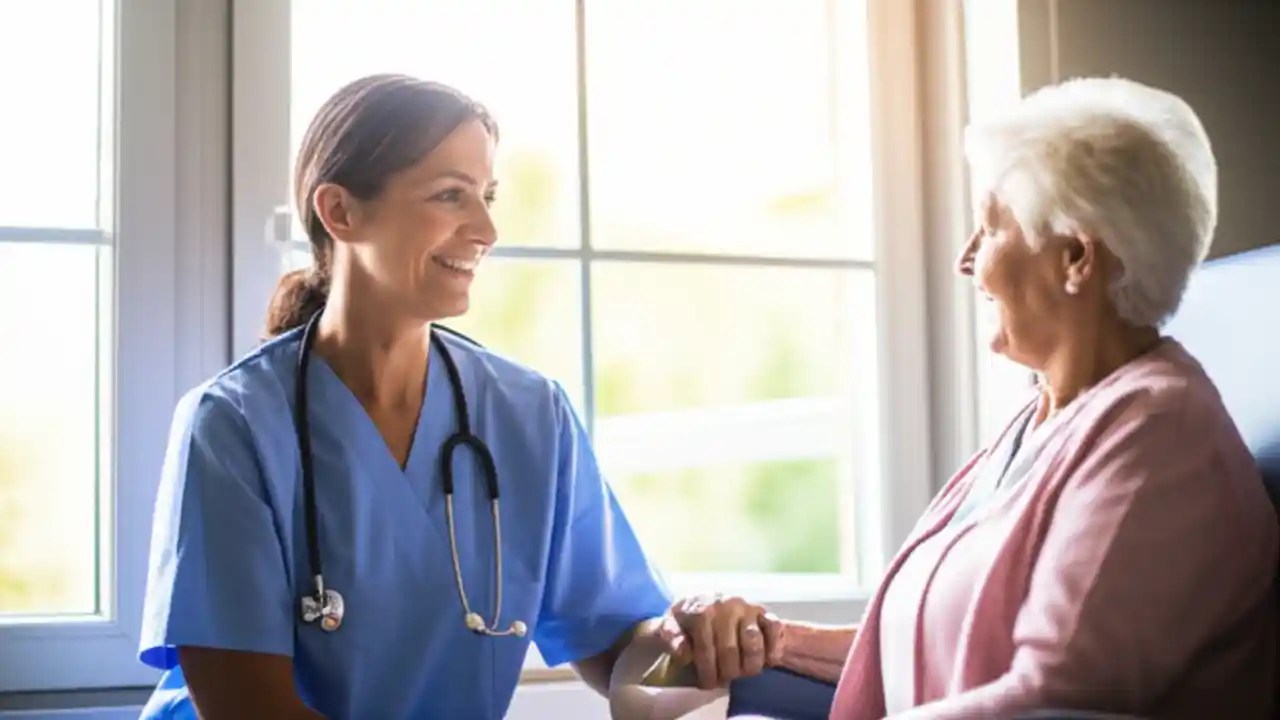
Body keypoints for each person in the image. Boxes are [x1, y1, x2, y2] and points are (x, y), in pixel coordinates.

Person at [136, 74, 776, 719]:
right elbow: (247, 710)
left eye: (488, 196)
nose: (487, 228)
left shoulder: (529, 416)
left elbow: (619, 656)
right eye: (451, 196)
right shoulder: (234, 423)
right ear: (341, 212)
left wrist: (699, 638)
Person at [656, 76, 1280, 718]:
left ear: (1074, 258)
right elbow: (921, 655)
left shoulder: (1158, 437)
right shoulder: (1043, 420)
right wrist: (769, 641)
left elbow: (1054, 699)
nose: (966, 261)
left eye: (988, 230)